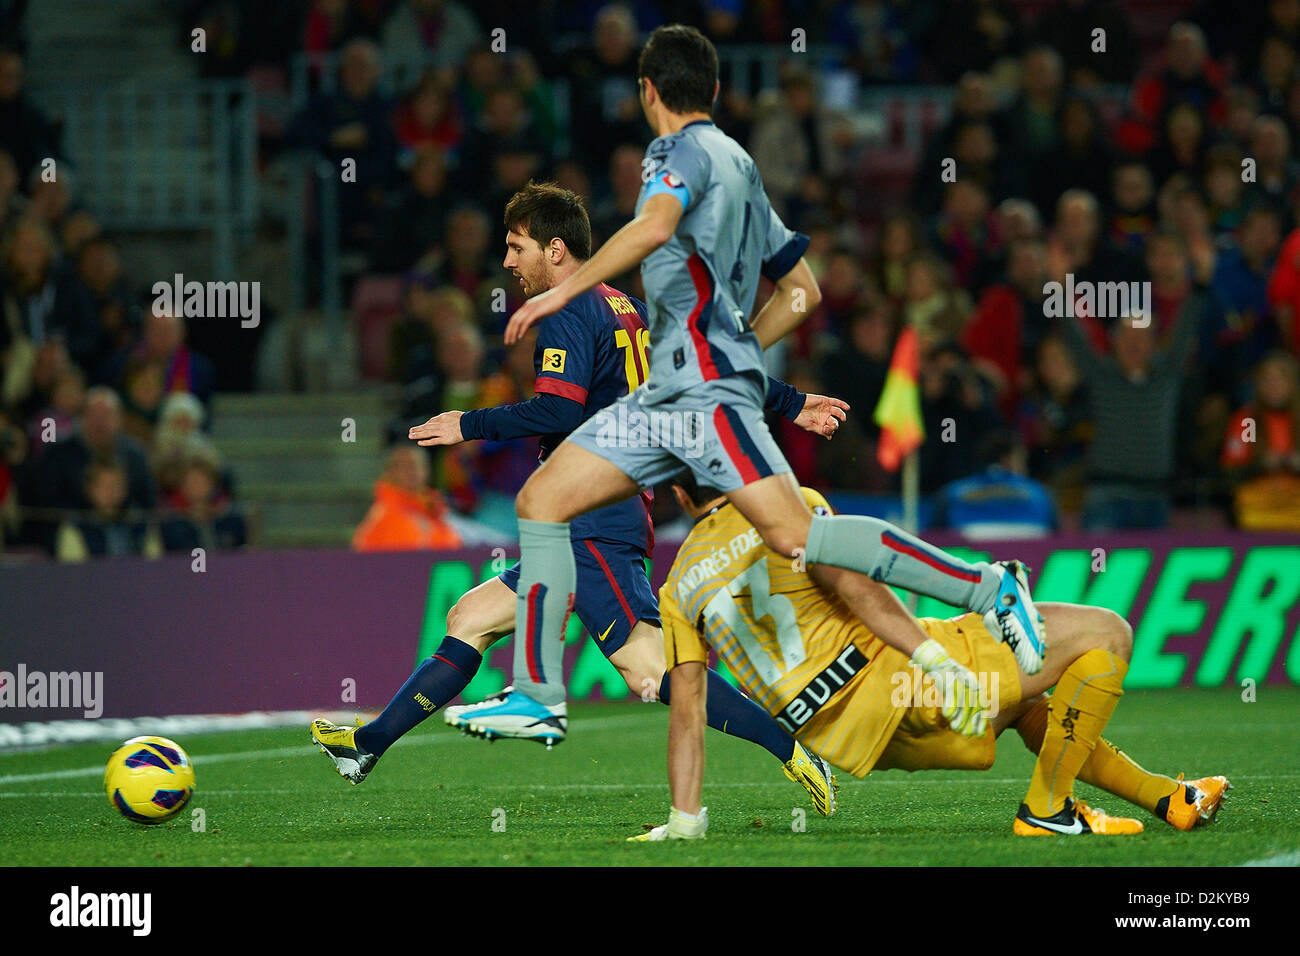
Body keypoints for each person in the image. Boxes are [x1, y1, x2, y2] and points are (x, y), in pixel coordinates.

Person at [492, 27, 1047, 766]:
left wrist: (566, 290)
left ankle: (986, 587)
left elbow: (654, 225)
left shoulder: (672, 155)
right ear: (718, 92)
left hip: (698, 396)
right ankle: (537, 696)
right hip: (673, 393)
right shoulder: (742, 167)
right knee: (543, 500)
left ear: (648, 93)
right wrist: (741, 349)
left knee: (794, 536)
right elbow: (803, 290)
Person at [311, 181, 848, 816]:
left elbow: (555, 409)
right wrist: (793, 403)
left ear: (556, 249)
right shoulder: (626, 305)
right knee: (469, 619)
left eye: (517, 247)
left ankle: (790, 747)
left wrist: (468, 424)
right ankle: (366, 746)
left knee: (652, 672)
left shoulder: (565, 309)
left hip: (592, 518)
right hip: (587, 517)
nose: (507, 261)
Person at [636, 476, 1229, 840]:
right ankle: (1048, 810)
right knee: (1108, 634)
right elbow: (857, 587)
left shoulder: (678, 583)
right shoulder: (792, 506)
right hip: (901, 676)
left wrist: (685, 817)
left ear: (682, 496)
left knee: (1029, 705)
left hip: (855, 740)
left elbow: (687, 705)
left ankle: (1165, 798)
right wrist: (934, 660)